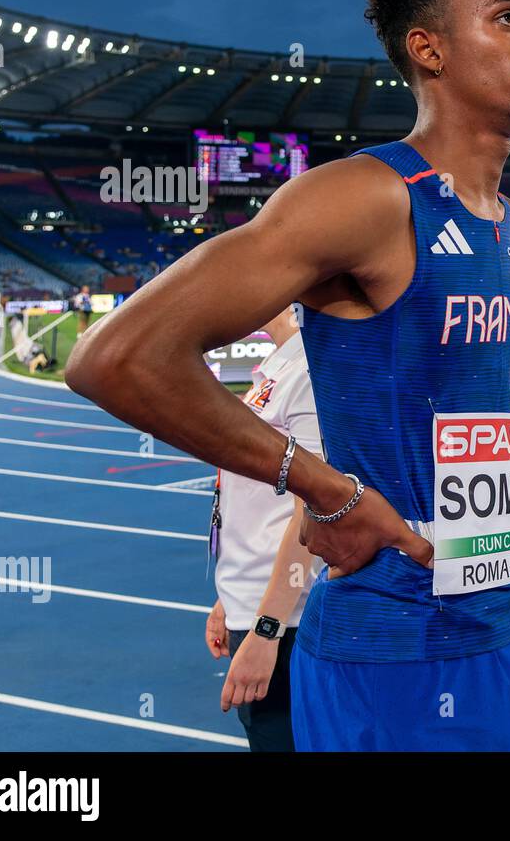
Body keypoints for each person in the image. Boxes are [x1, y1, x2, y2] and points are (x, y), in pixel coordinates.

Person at [67, 0, 510, 751]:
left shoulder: (508, 227)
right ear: (428, 49)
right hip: (395, 652)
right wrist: (326, 489)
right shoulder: (365, 198)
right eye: (509, 19)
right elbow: (116, 357)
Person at [205, 305, 322, 752]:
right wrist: (231, 598)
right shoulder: (282, 366)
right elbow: (261, 505)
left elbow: (314, 510)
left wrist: (268, 627)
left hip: (286, 622)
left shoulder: (309, 373)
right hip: (257, 608)